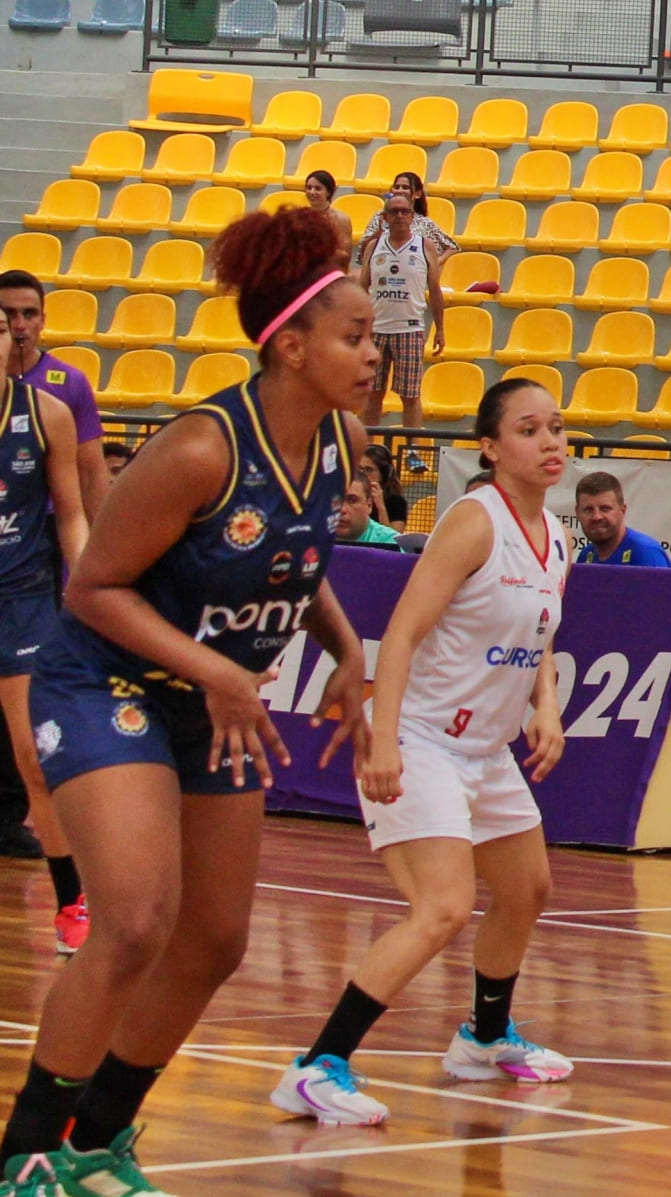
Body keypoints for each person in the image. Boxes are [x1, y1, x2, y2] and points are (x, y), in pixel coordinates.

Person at [0, 205, 371, 1194]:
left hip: (214, 702)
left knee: (214, 941)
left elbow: (302, 558)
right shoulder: (203, 447)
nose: (373, 354)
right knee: (132, 922)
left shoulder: (339, 438)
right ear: (289, 345)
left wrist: (344, 650)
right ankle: (27, 1155)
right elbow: (92, 588)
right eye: (355, 336)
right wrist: (214, 670)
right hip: (103, 681)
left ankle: (96, 1142)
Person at [272, 377, 574, 1126]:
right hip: (424, 737)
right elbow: (401, 632)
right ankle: (317, 1067)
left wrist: (546, 707)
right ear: (491, 446)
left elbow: (538, 635)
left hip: (487, 748)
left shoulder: (559, 536)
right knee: (441, 907)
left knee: (527, 887)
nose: (550, 443)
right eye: (530, 430)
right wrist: (382, 742)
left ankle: (483, 1036)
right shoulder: (474, 523)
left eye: (557, 428)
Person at [0, 316, 91, 952]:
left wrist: (84, 597)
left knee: (35, 757)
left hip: (22, 602)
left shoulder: (47, 413)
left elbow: (73, 517)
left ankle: (71, 903)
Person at [0, 271, 110, 521]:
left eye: (29, 313)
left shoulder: (70, 383)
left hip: (46, 530)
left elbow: (91, 473)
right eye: (9, 313)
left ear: (43, 320)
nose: (19, 325)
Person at [356, 193, 446, 436]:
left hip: (409, 329)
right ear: (384, 217)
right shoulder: (373, 246)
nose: (399, 216)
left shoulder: (424, 246)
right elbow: (362, 287)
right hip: (376, 330)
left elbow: (435, 290)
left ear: (412, 216)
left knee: (410, 394)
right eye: (393, 212)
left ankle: (412, 450)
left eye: (404, 211)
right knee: (373, 393)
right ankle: (368, 449)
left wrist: (440, 328)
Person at [353, 172, 457, 266]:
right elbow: (363, 251)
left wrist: (436, 262)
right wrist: (379, 232)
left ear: (417, 194)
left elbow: (452, 247)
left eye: (405, 187)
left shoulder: (425, 223)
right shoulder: (380, 217)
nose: (399, 191)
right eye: (396, 187)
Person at [572, 472, 671, 567]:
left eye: (605, 509)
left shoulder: (646, 553)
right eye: (588, 510)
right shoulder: (585, 556)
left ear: (622, 510)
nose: (596, 517)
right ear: (577, 513)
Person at [335, 476, 406, 548]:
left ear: (369, 505)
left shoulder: (392, 544)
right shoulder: (322, 536)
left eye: (352, 500)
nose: (342, 510)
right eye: (335, 500)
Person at [302, 169, 353, 267]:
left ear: (328, 192)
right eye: (309, 188)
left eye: (318, 188)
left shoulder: (341, 219)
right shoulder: (300, 217)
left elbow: (345, 255)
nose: (312, 192)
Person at [363, 444, 410, 525]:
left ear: (384, 473)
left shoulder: (397, 502)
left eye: (369, 469)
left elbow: (393, 537)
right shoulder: (351, 496)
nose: (363, 474)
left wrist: (380, 506)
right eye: (360, 469)